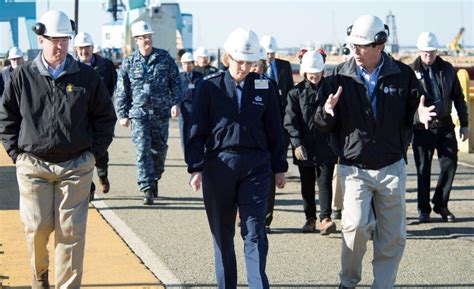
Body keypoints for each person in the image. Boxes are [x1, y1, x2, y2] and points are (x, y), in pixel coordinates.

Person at [314, 15, 435, 289]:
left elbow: (414, 112)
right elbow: (321, 123)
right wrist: (326, 112)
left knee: (392, 237)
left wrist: (419, 114)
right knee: (355, 227)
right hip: (354, 168)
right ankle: (348, 281)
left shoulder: (402, 76)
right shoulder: (337, 76)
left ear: (380, 45)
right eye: (353, 45)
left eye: (362, 45)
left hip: (392, 167)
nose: (355, 50)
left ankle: (383, 285)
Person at [0, 10, 116, 288]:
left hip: (75, 166)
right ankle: (40, 275)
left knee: (71, 233)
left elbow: (105, 117)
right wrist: (17, 154)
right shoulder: (23, 76)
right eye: (53, 39)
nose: (59, 46)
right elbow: (7, 115)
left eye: (64, 39)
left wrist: (93, 155)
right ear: (40, 39)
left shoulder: (86, 77)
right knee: (37, 228)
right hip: (33, 165)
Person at [185, 27, 288, 289]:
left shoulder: (265, 86)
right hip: (219, 166)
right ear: (228, 56)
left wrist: (280, 167)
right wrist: (195, 167)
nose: (244, 67)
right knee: (222, 235)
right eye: (240, 61)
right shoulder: (209, 87)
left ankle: (257, 286)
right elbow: (196, 129)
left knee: (255, 232)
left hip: (256, 166)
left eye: (250, 62)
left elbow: (275, 130)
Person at [115, 20, 182, 205]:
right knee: (142, 150)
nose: (147, 40)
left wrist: (175, 103)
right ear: (136, 40)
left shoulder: (164, 58)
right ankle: (146, 188)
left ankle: (154, 178)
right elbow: (122, 90)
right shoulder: (129, 63)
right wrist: (122, 114)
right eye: (143, 37)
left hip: (160, 114)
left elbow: (176, 82)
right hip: (139, 114)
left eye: (149, 36)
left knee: (159, 152)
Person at [410, 32, 469, 223]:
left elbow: (459, 98)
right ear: (419, 51)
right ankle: (423, 209)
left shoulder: (448, 69)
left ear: (436, 50)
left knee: (450, 164)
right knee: (423, 169)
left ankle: (440, 204)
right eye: (425, 52)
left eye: (432, 51)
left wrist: (465, 124)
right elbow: (404, 104)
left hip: (445, 126)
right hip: (422, 128)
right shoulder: (410, 72)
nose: (429, 55)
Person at [284, 50, 338, 234]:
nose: (314, 75)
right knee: (307, 183)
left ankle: (325, 218)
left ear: (323, 70)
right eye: (311, 72)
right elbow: (290, 121)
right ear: (304, 72)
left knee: (324, 181)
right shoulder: (295, 93)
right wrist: (297, 143)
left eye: (317, 71)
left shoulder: (332, 91)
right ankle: (310, 218)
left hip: (327, 145)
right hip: (304, 147)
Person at [74, 31, 117, 199]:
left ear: (93, 48)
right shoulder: (71, 67)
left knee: (100, 150)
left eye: (87, 48)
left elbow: (114, 86)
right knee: (80, 152)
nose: (84, 51)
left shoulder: (105, 66)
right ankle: (89, 188)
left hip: (100, 115)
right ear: (76, 49)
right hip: (79, 117)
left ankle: (102, 174)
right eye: (81, 48)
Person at [260, 35, 294, 231]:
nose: (270, 57)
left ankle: (266, 219)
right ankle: (244, 211)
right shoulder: (253, 71)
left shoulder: (284, 67)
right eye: (267, 53)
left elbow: (289, 92)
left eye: (273, 53)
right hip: (258, 128)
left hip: (279, 122)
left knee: (273, 170)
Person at [178, 52, 203, 152]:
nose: (187, 66)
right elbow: (174, 92)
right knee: (184, 132)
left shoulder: (200, 76)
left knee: (197, 131)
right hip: (184, 108)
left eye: (189, 63)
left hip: (197, 108)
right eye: (184, 63)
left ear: (193, 63)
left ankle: (196, 153)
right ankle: (186, 154)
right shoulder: (178, 77)